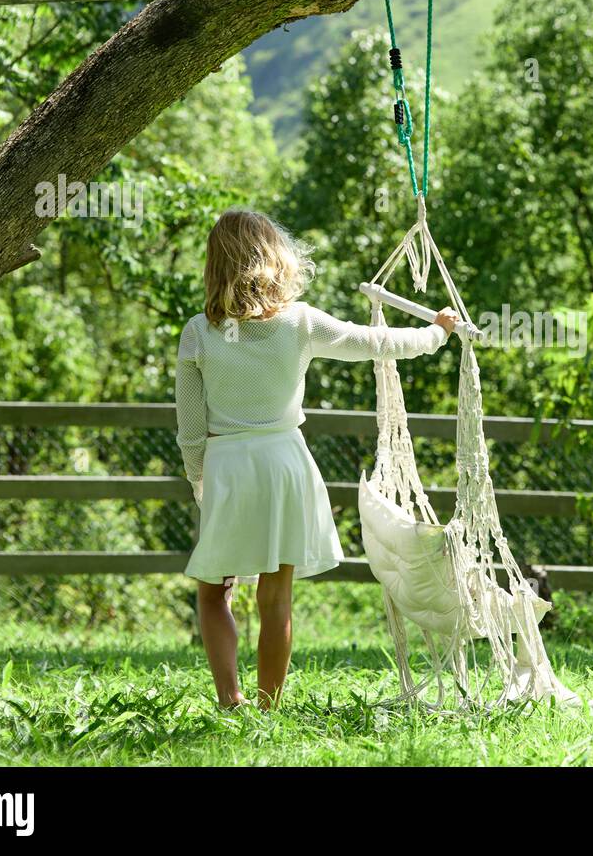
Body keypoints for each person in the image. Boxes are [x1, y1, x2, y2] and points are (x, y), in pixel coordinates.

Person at [175, 208, 458, 709]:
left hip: (228, 467)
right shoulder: (300, 323)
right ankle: (267, 706)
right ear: (273, 259)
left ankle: (229, 699)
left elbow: (191, 426)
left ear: (214, 265)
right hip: (285, 463)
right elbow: (377, 343)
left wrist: (201, 481)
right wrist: (436, 333)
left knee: (214, 590)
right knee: (276, 595)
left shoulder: (200, 331)